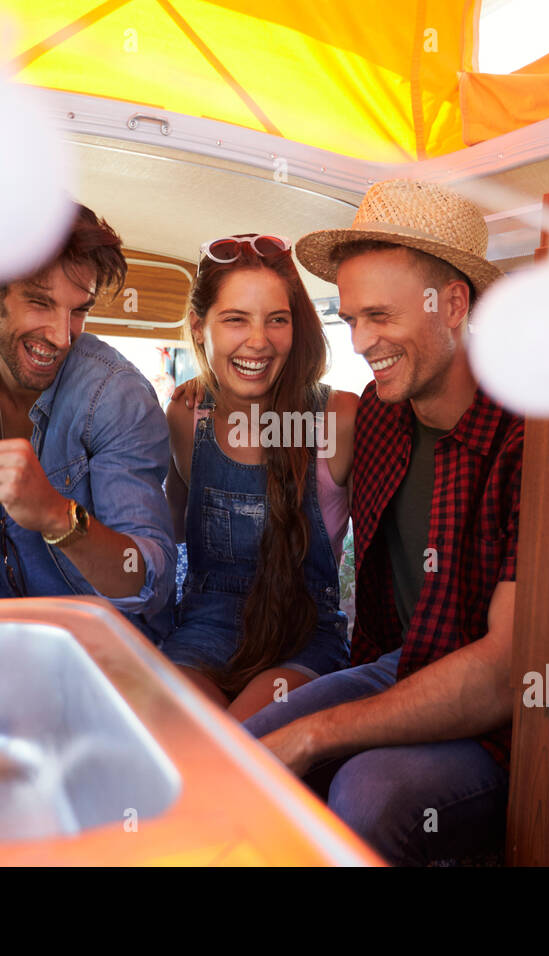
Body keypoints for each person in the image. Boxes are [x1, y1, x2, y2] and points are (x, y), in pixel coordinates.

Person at [242, 180, 525, 866]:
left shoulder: (527, 435)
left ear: (453, 304)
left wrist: (319, 734)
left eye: (379, 316)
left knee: (367, 792)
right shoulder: (378, 413)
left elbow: (503, 671)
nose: (362, 341)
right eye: (351, 320)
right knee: (240, 755)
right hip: (396, 665)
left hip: (501, 718)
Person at [0, 204, 175, 642]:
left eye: (78, 311)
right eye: (40, 303)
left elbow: (147, 583)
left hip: (94, 648)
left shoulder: (117, 395)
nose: (61, 336)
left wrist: (58, 517)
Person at [163, 234, 357, 719]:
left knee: (242, 744)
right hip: (204, 628)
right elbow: (166, 533)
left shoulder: (341, 417)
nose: (258, 341)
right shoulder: (185, 416)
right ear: (199, 327)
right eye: (235, 319)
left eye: (277, 320)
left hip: (305, 633)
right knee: (178, 732)